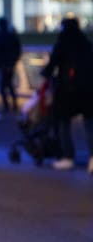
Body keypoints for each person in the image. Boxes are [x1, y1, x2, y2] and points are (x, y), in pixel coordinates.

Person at [41, 17, 93, 172]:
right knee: (90, 124)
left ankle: (67, 156)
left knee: (63, 123)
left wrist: (46, 74)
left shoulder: (62, 43)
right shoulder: (87, 44)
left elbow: (51, 66)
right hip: (89, 90)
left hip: (68, 91)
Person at [0, 18, 22, 113]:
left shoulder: (0, 36)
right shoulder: (12, 36)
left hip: (4, 64)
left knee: (3, 86)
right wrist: (14, 61)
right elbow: (18, 50)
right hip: (10, 64)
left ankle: (6, 105)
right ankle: (14, 103)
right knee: (9, 84)